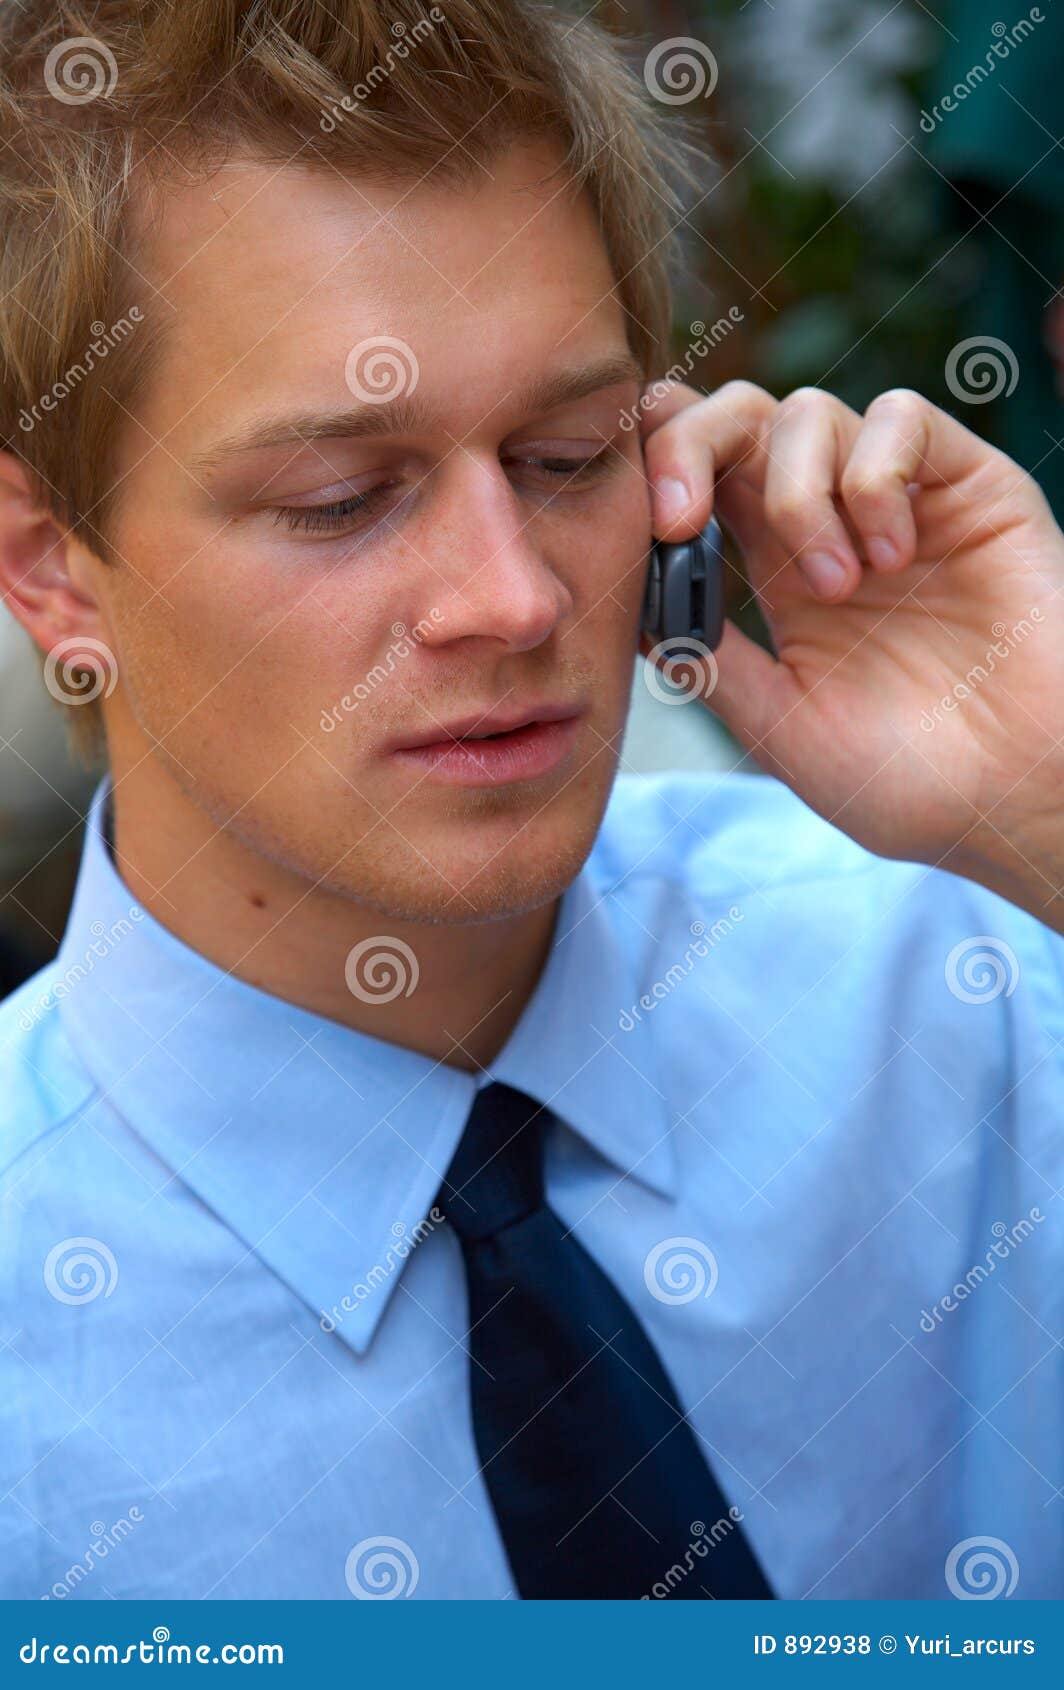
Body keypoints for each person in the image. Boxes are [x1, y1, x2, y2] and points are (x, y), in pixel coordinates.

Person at [0, 0, 1061, 1603]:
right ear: (43, 566)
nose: (508, 597)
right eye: (341, 500)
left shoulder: (968, 978)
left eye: (568, 459)